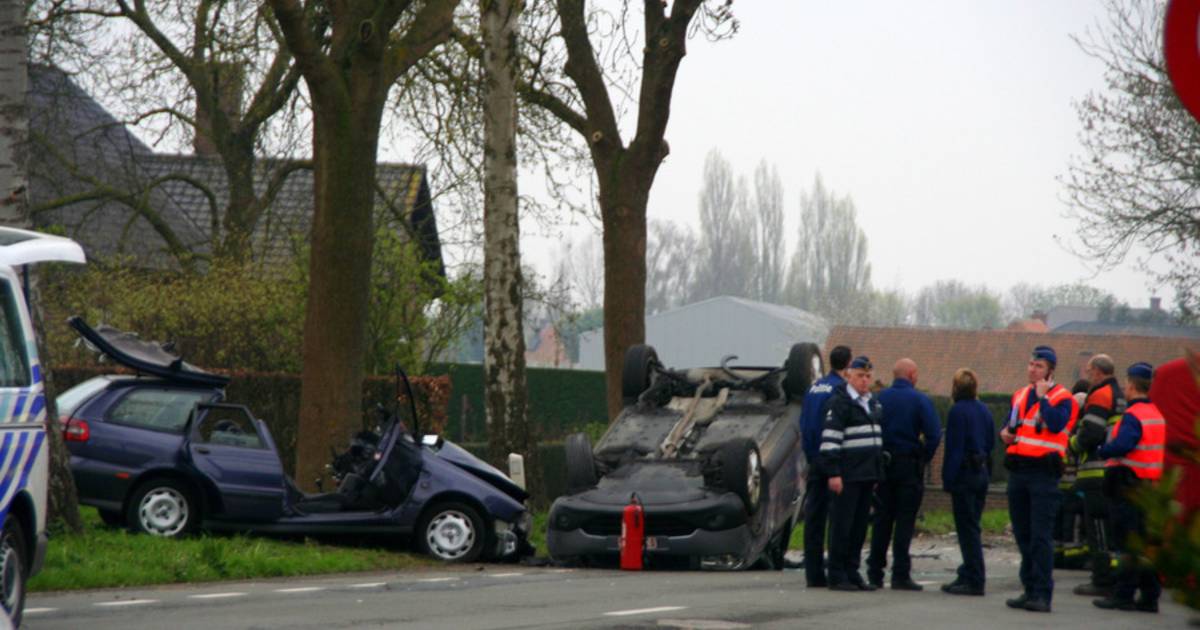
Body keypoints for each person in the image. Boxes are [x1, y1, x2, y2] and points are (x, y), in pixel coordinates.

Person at [999, 345, 1079, 613]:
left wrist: (1043, 399)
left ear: (1050, 371)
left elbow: (1057, 424)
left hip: (1044, 474)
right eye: (1031, 364)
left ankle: (1043, 594)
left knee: (1040, 537)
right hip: (1020, 471)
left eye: (1039, 366)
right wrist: (1005, 433)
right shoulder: (1020, 395)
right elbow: (1012, 425)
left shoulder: (1063, 397)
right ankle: (1029, 588)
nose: (1033, 369)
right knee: (1023, 534)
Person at [1092, 362, 1165, 613]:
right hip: (1149, 486)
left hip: (1127, 484)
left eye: (1126, 383)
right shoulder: (1156, 413)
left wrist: (1104, 448)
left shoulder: (1133, 415)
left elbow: (1124, 444)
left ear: (1132, 386)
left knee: (1126, 543)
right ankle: (1150, 595)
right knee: (1143, 544)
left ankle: (1123, 595)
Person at [866, 358, 941, 590]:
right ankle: (900, 574)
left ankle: (874, 572)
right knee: (905, 521)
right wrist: (923, 457)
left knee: (882, 520)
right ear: (911, 375)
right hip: (908, 466)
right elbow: (934, 434)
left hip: (883, 466)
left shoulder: (878, 399)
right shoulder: (920, 400)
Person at [821, 355, 885, 592]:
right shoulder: (840, 403)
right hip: (847, 475)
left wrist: (877, 473)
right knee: (842, 525)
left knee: (859, 527)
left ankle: (852, 570)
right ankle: (837, 574)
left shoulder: (873, 402)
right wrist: (834, 473)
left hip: (867, 474)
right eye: (860, 376)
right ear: (849, 375)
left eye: (868, 376)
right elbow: (830, 440)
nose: (865, 381)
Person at [1069, 355, 1125, 597]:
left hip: (1095, 471)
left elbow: (1090, 433)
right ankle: (1113, 576)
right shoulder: (1120, 395)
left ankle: (1102, 579)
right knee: (1111, 528)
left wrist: (1071, 444)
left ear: (1100, 373)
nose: (1087, 375)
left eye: (1089, 370)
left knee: (1098, 528)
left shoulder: (1101, 394)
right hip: (1112, 470)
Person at [797, 345, 852, 586]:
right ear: (848, 365)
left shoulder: (813, 388)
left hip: (813, 459)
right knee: (838, 517)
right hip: (831, 458)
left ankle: (813, 574)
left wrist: (810, 456)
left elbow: (804, 422)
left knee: (814, 519)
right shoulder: (840, 389)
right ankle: (836, 571)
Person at [940, 368, 994, 596]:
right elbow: (991, 442)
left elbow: (954, 449)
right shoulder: (984, 409)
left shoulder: (957, 412)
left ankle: (974, 577)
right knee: (974, 525)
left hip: (964, 476)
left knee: (967, 529)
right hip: (980, 473)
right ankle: (967, 572)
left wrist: (948, 479)